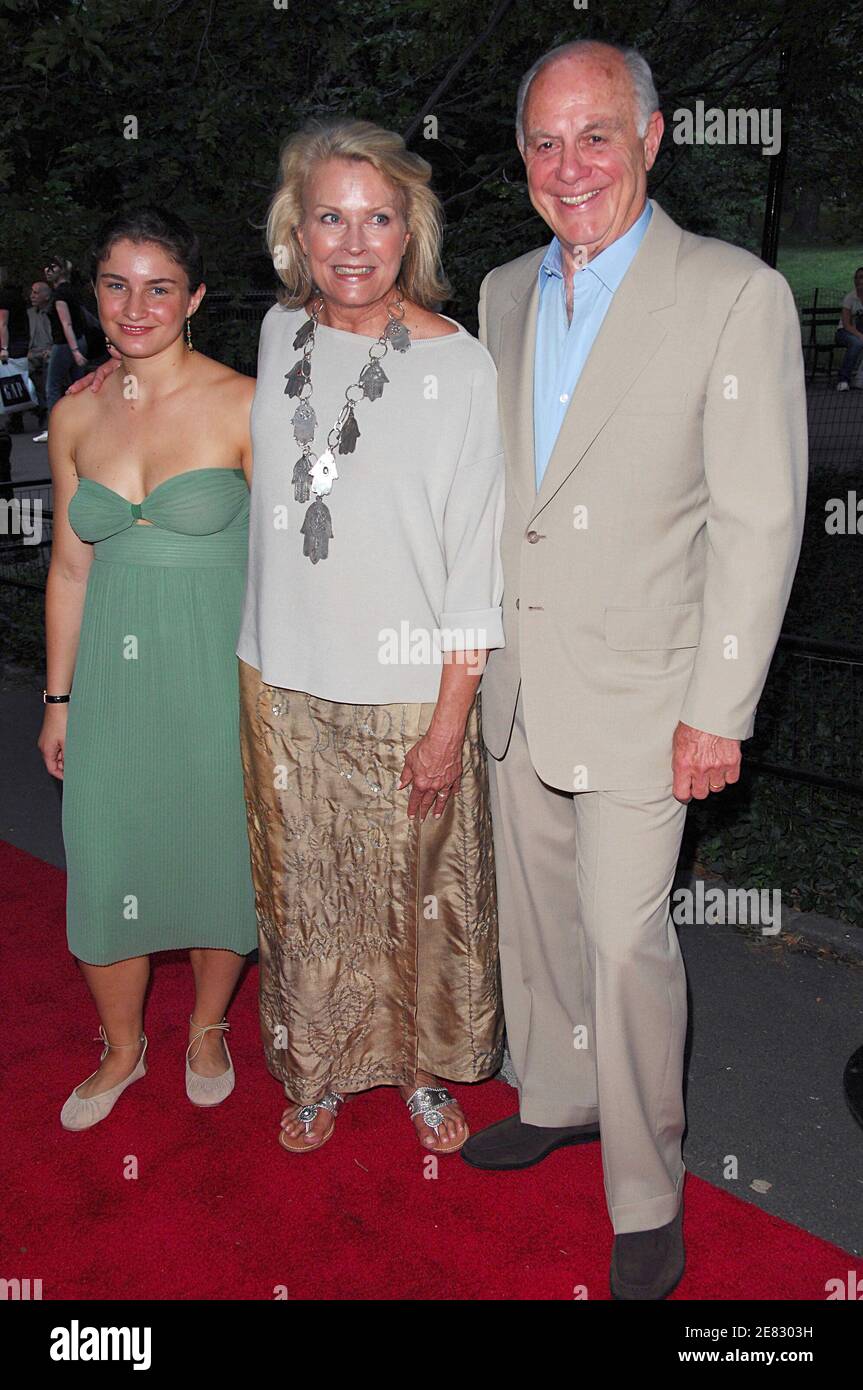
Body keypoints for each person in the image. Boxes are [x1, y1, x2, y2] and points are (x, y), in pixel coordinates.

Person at [460, 40, 808, 1300]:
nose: (570, 166)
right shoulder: (500, 290)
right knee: (541, 927)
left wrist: (718, 708)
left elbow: (757, 522)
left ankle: (649, 1180)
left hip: (650, 692)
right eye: (544, 142)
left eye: (595, 135)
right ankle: (556, 1095)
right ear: (520, 156)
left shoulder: (730, 293)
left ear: (652, 139)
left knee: (622, 938)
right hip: (518, 679)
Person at [237, 118, 505, 1156]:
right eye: (329, 218)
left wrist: (449, 719)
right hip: (281, 677)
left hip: (407, 690)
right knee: (305, 894)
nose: (353, 242)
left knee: (416, 897)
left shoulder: (460, 368)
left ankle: (421, 1067)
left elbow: (474, 558)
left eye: (378, 218)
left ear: (410, 231)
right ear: (294, 232)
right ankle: (315, 1067)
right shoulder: (275, 334)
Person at [39, 207, 258, 1130]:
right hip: (111, 691)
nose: (136, 306)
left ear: (195, 297)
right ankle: (122, 1049)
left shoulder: (246, 403)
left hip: (218, 677)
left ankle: (207, 1028)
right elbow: (70, 564)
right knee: (105, 860)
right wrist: (58, 699)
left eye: (159, 285)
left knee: (219, 863)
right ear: (93, 296)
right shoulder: (74, 411)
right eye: (116, 285)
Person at [35, 256, 89, 440]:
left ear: (60, 271)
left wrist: (74, 351)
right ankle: (82, 426)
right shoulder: (73, 291)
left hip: (66, 344)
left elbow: (66, 324)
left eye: (51, 268)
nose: (47, 271)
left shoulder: (60, 294)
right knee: (78, 386)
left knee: (53, 386)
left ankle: (56, 428)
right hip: (77, 341)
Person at [0, 267, 31, 435]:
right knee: (16, 378)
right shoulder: (17, 296)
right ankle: (23, 413)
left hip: (12, 343)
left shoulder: (4, 298)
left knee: (10, 379)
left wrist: (4, 348)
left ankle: (17, 417)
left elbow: (3, 323)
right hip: (21, 339)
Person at [27, 280, 53, 428]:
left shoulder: (52, 312)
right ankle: (36, 408)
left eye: (36, 293)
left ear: (46, 296)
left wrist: (51, 349)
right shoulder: (29, 314)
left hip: (48, 350)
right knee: (16, 370)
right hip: (32, 352)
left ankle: (45, 411)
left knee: (48, 365)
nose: (32, 296)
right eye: (32, 292)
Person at [834, 266, 863, 391]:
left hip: (860, 332)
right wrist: (860, 335)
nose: (857, 280)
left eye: (861, 277)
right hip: (844, 332)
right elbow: (846, 324)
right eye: (856, 278)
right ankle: (843, 380)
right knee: (857, 343)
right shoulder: (850, 298)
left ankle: (859, 379)